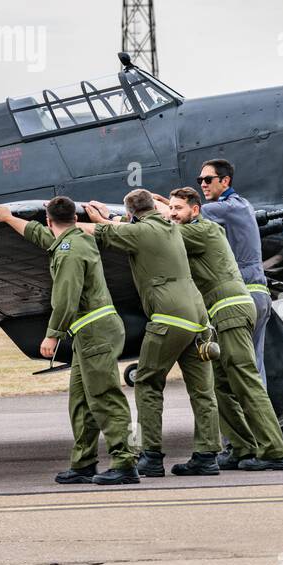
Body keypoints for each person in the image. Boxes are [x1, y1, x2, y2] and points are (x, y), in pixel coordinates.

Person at [0, 198, 138, 486]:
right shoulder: (75, 239)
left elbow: (66, 298)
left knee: (105, 397)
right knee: (81, 400)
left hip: (96, 331)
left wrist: (52, 335)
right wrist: (8, 218)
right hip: (91, 331)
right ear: (72, 217)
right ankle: (84, 464)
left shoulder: (69, 253)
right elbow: (42, 236)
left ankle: (125, 462)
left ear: (49, 219)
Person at [80, 190, 221, 477]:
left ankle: (151, 455)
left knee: (146, 383)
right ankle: (207, 456)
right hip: (198, 317)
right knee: (203, 390)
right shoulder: (172, 226)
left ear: (132, 213)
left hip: (169, 316)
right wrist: (113, 219)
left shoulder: (140, 232)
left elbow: (94, 231)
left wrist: (71, 222)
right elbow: (134, 229)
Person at [160, 187, 283, 471]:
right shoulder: (194, 230)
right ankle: (241, 448)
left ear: (195, 210)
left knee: (245, 380)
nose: (172, 214)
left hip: (231, 310)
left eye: (178, 208)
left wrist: (121, 220)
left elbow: (162, 234)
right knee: (221, 384)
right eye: (170, 208)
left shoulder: (202, 230)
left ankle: (273, 452)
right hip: (221, 314)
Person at [197, 160, 272, 387]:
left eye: (208, 180)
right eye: (200, 181)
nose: (203, 185)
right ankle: (264, 420)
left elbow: (192, 214)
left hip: (243, 298)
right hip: (257, 295)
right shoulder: (241, 205)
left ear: (225, 180)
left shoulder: (227, 208)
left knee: (238, 371)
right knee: (254, 367)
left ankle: (248, 420)